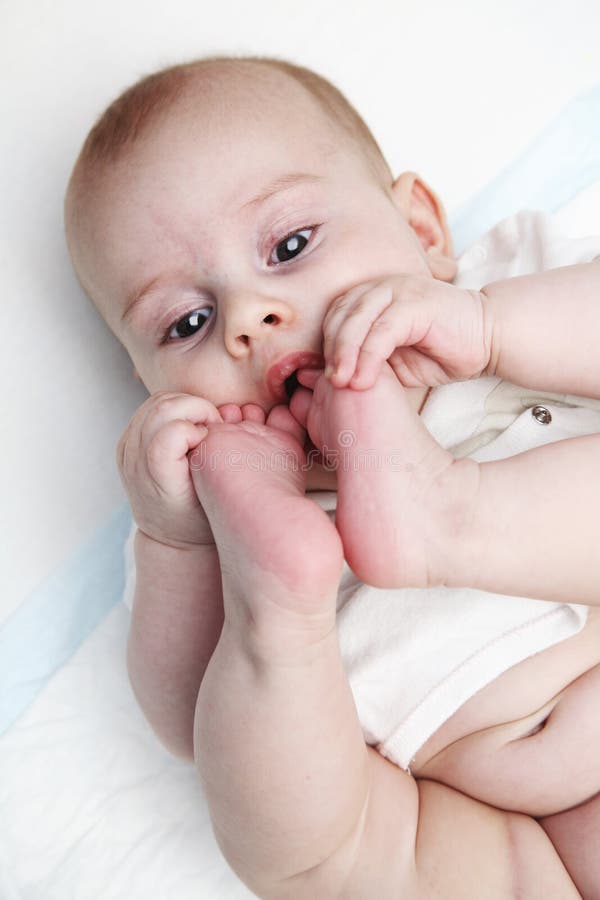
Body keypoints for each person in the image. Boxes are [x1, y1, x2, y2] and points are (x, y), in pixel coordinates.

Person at [63, 54, 600, 898]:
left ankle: (452, 514)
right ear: (149, 385)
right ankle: (283, 622)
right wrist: (180, 543)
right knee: (308, 853)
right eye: (187, 323)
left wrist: (491, 330)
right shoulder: (214, 509)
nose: (250, 320)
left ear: (422, 232)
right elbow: (188, 724)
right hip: (514, 833)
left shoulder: (510, 283)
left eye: (290, 246)